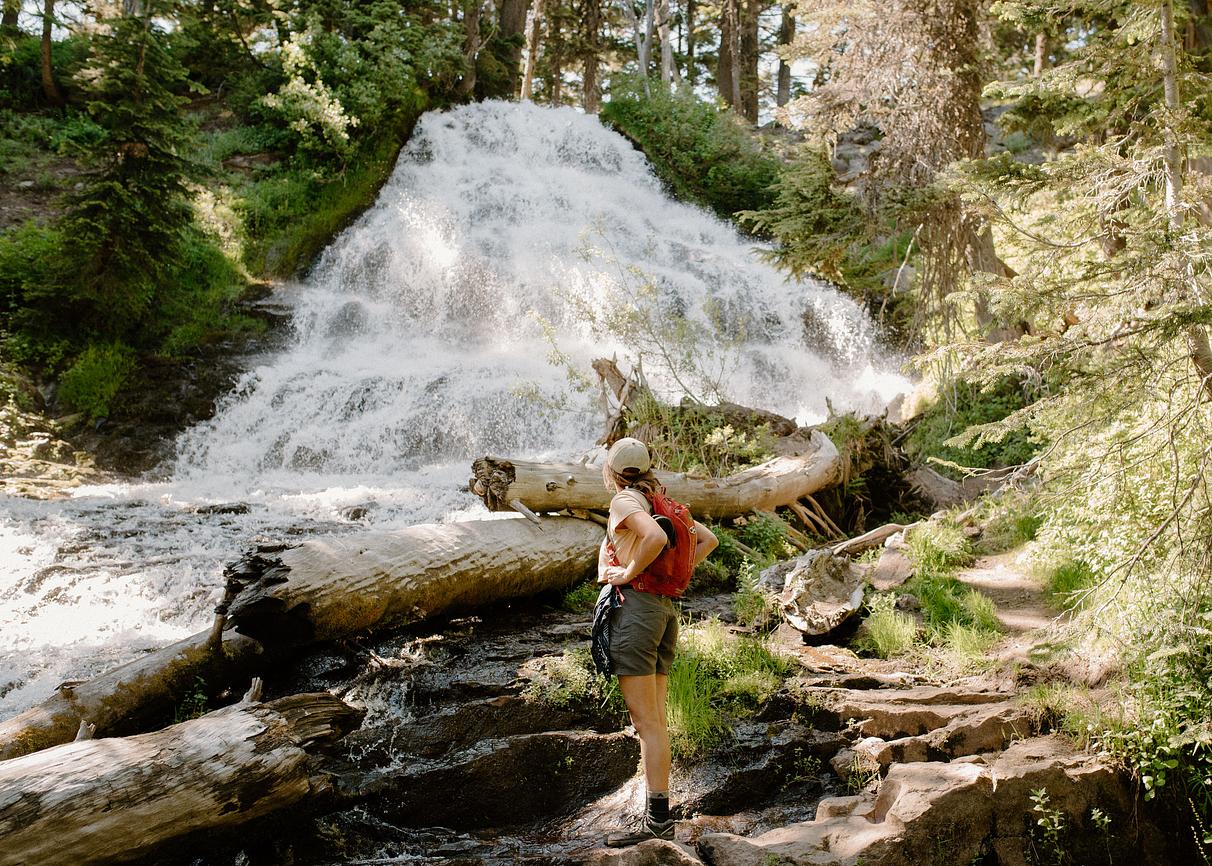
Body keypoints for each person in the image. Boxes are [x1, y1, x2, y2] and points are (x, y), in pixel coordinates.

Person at [598, 437, 718, 847]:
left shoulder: (625, 502)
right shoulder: (667, 503)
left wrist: (629, 572)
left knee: (646, 723)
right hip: (665, 612)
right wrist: (674, 578)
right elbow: (708, 540)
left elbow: (654, 538)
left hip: (638, 611)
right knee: (655, 723)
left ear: (612, 472)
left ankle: (657, 824)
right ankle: (659, 815)